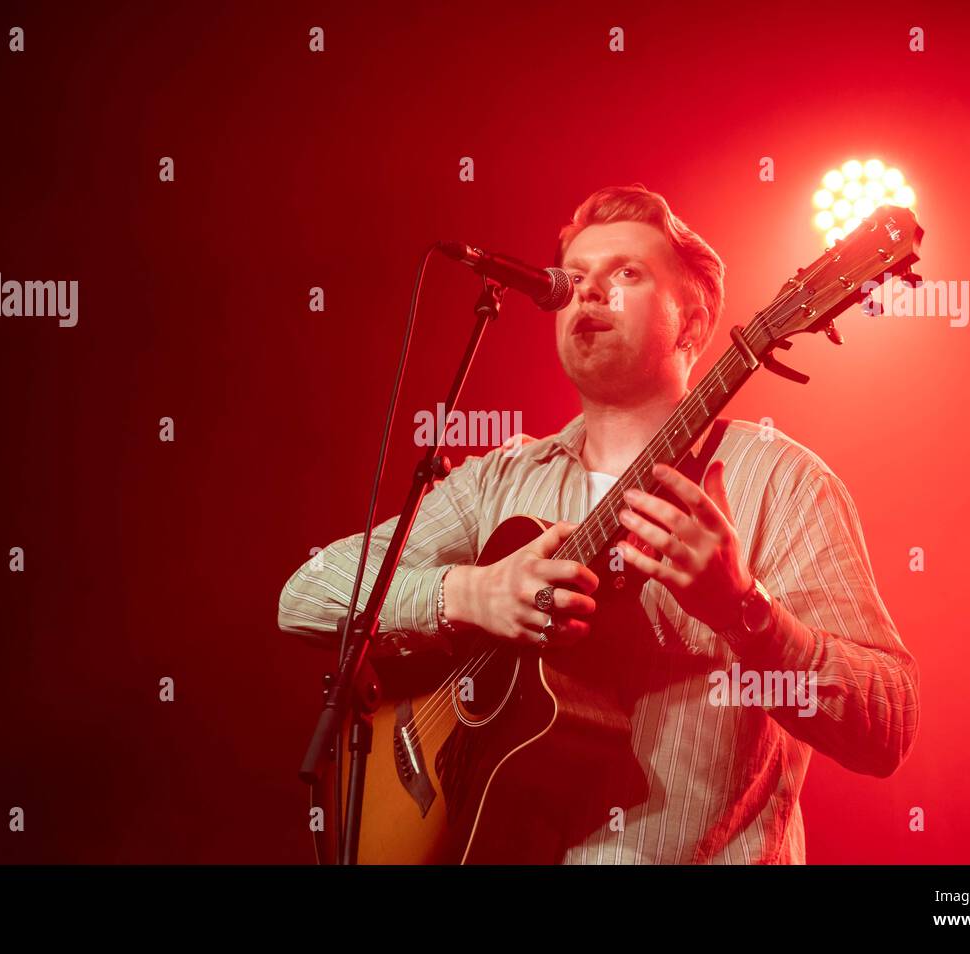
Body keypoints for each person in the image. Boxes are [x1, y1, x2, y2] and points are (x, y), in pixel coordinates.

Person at [279, 183, 919, 863]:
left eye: (626, 273)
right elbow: (306, 595)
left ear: (694, 324)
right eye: (576, 277)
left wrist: (742, 610)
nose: (588, 291)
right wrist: (473, 596)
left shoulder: (780, 480)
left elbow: (886, 724)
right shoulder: (498, 479)